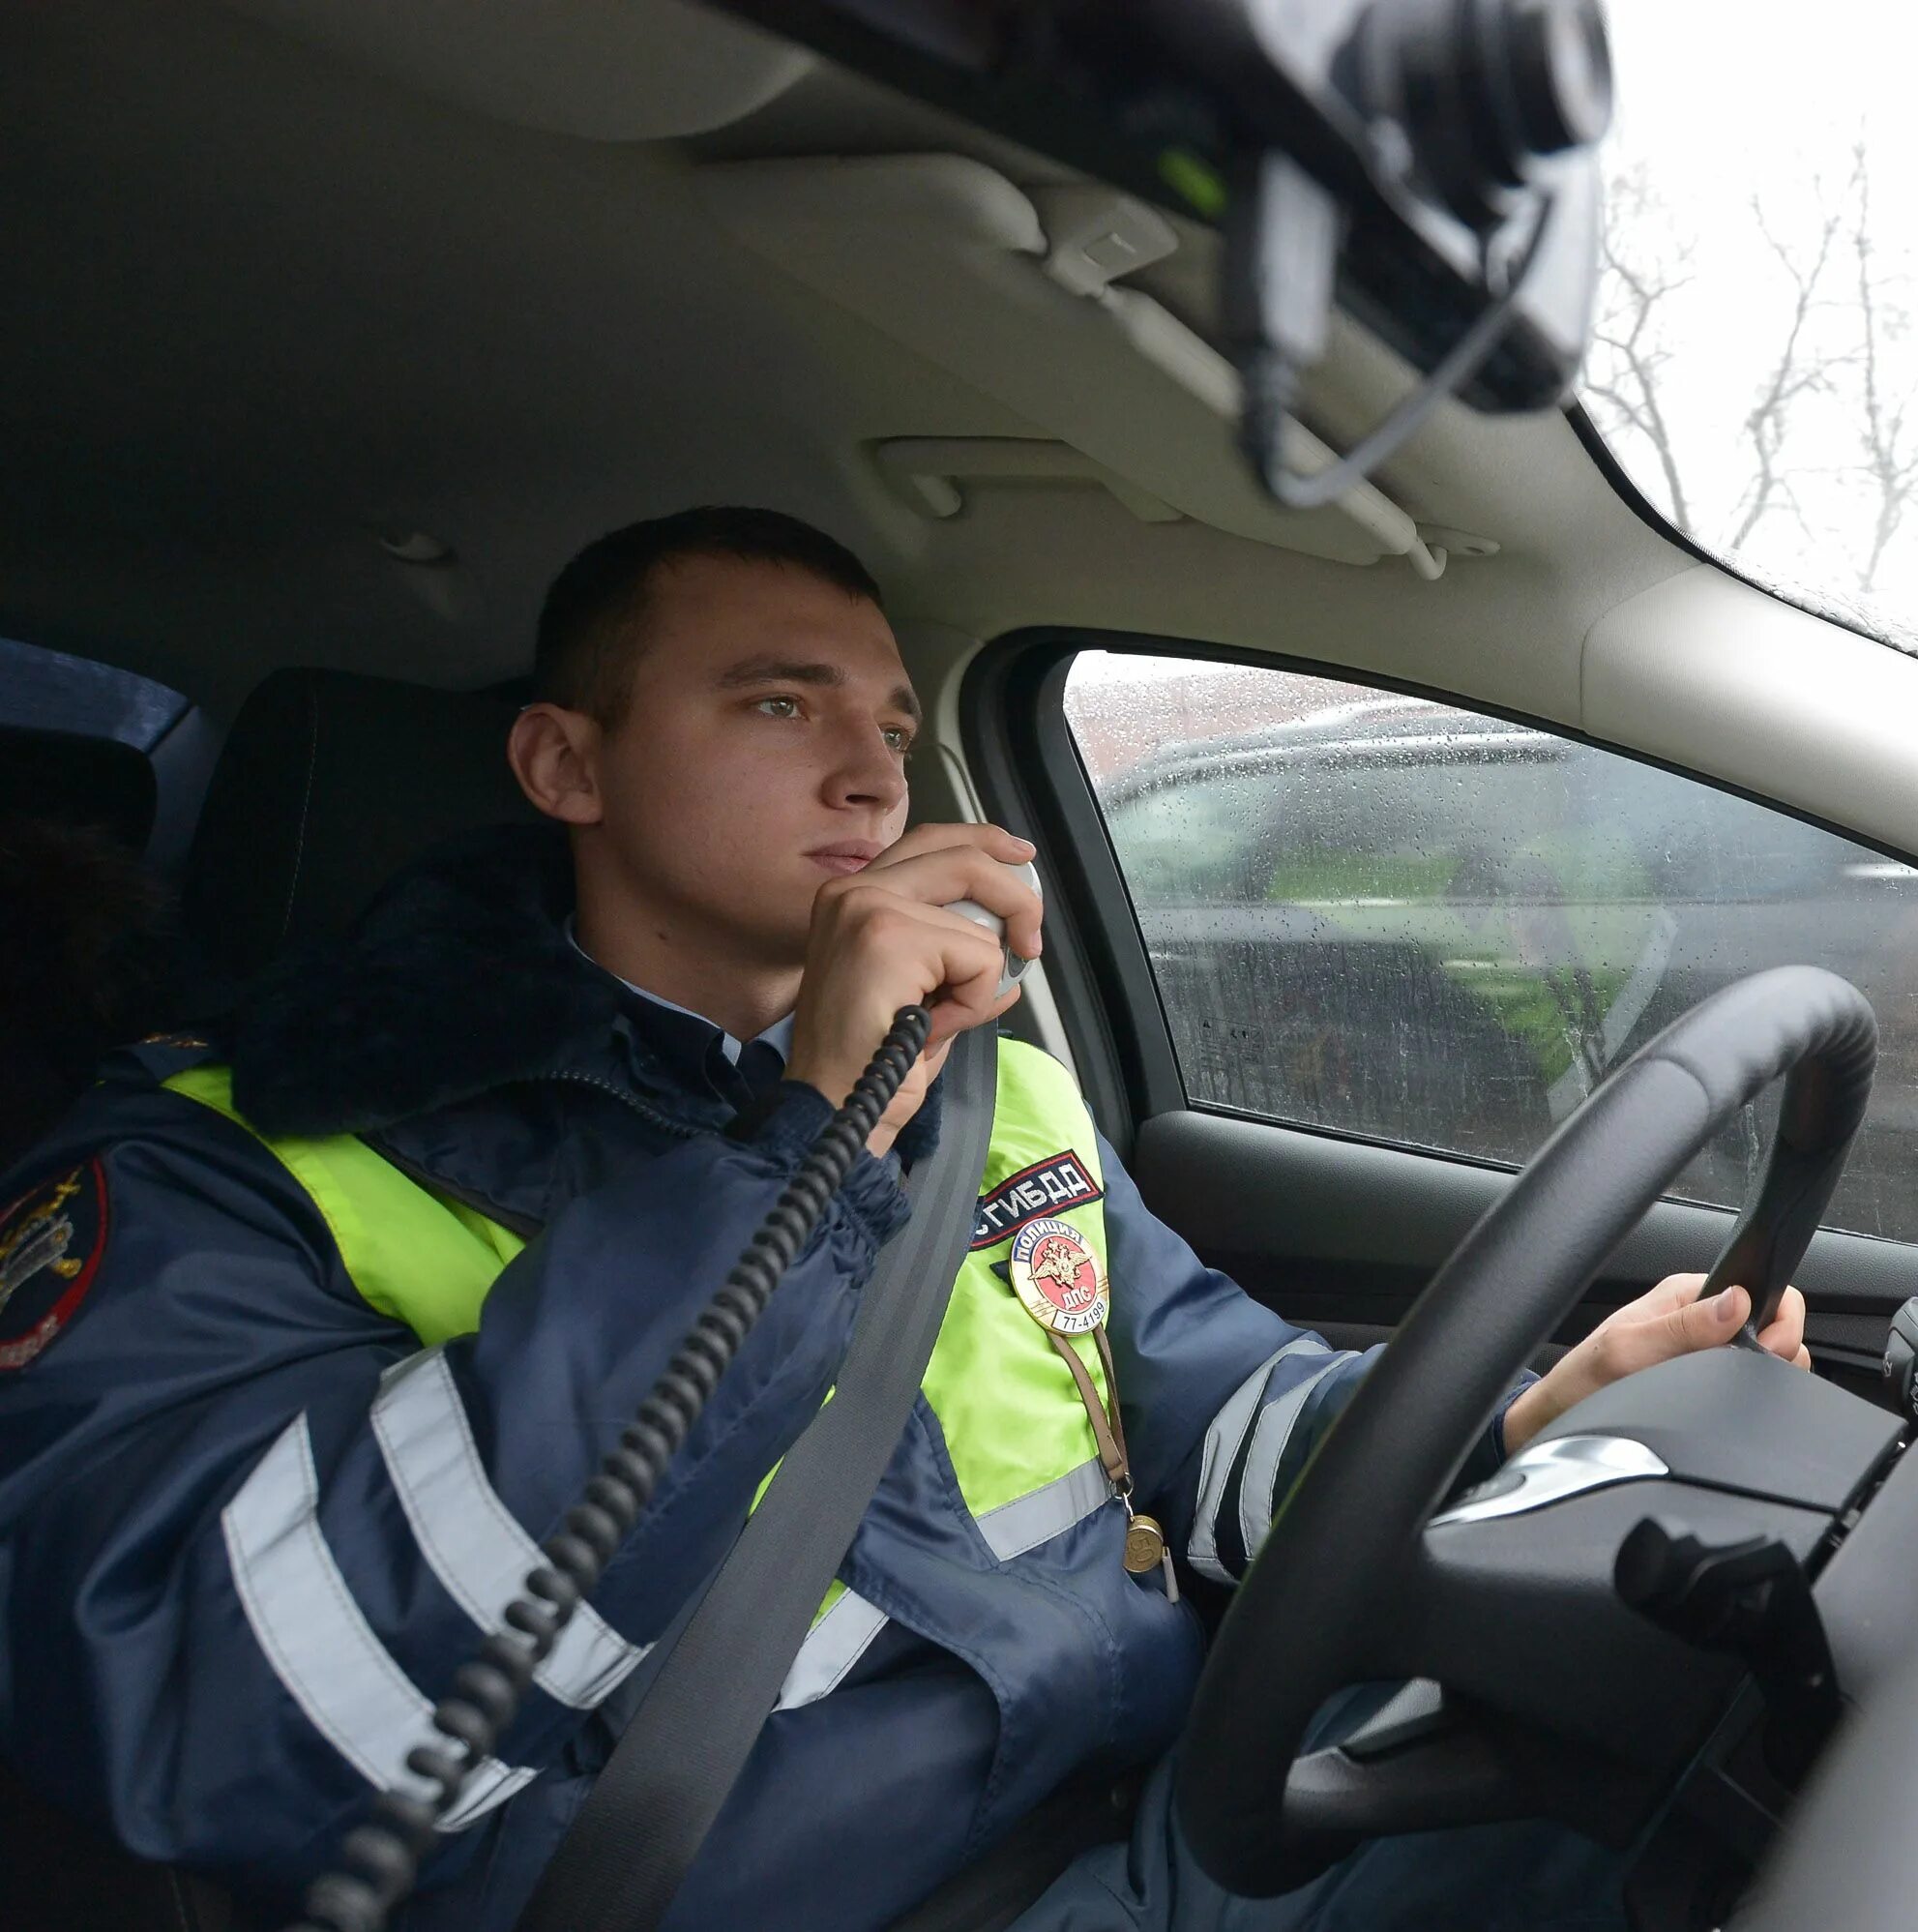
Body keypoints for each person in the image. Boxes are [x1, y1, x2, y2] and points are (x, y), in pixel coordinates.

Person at [0, 507, 1813, 1930]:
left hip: (1166, 1809)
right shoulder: (226, 1164)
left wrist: (1516, 1410)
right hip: (795, 1902)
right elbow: (241, 1699)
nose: (876, 774)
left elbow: (1216, 1423)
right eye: (780, 706)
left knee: (1734, 1746)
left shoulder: (979, 1085)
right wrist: (795, 1148)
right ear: (567, 767)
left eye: (884, 718)